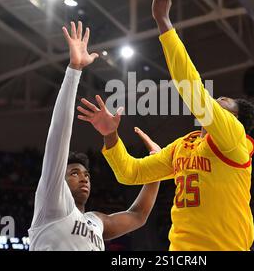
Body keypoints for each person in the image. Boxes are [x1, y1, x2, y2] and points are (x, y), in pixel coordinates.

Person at [77, 0, 254, 251]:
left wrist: (163, 21)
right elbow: (130, 173)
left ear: (233, 120)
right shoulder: (184, 146)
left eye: (224, 102)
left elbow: (193, 91)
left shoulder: (234, 139)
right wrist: (111, 136)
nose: (216, 100)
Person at [28, 21, 161, 251]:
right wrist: (74, 70)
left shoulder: (95, 221)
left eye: (86, 174)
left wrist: (156, 168)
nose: (84, 178)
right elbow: (59, 134)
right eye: (74, 173)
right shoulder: (52, 203)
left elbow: (138, 216)